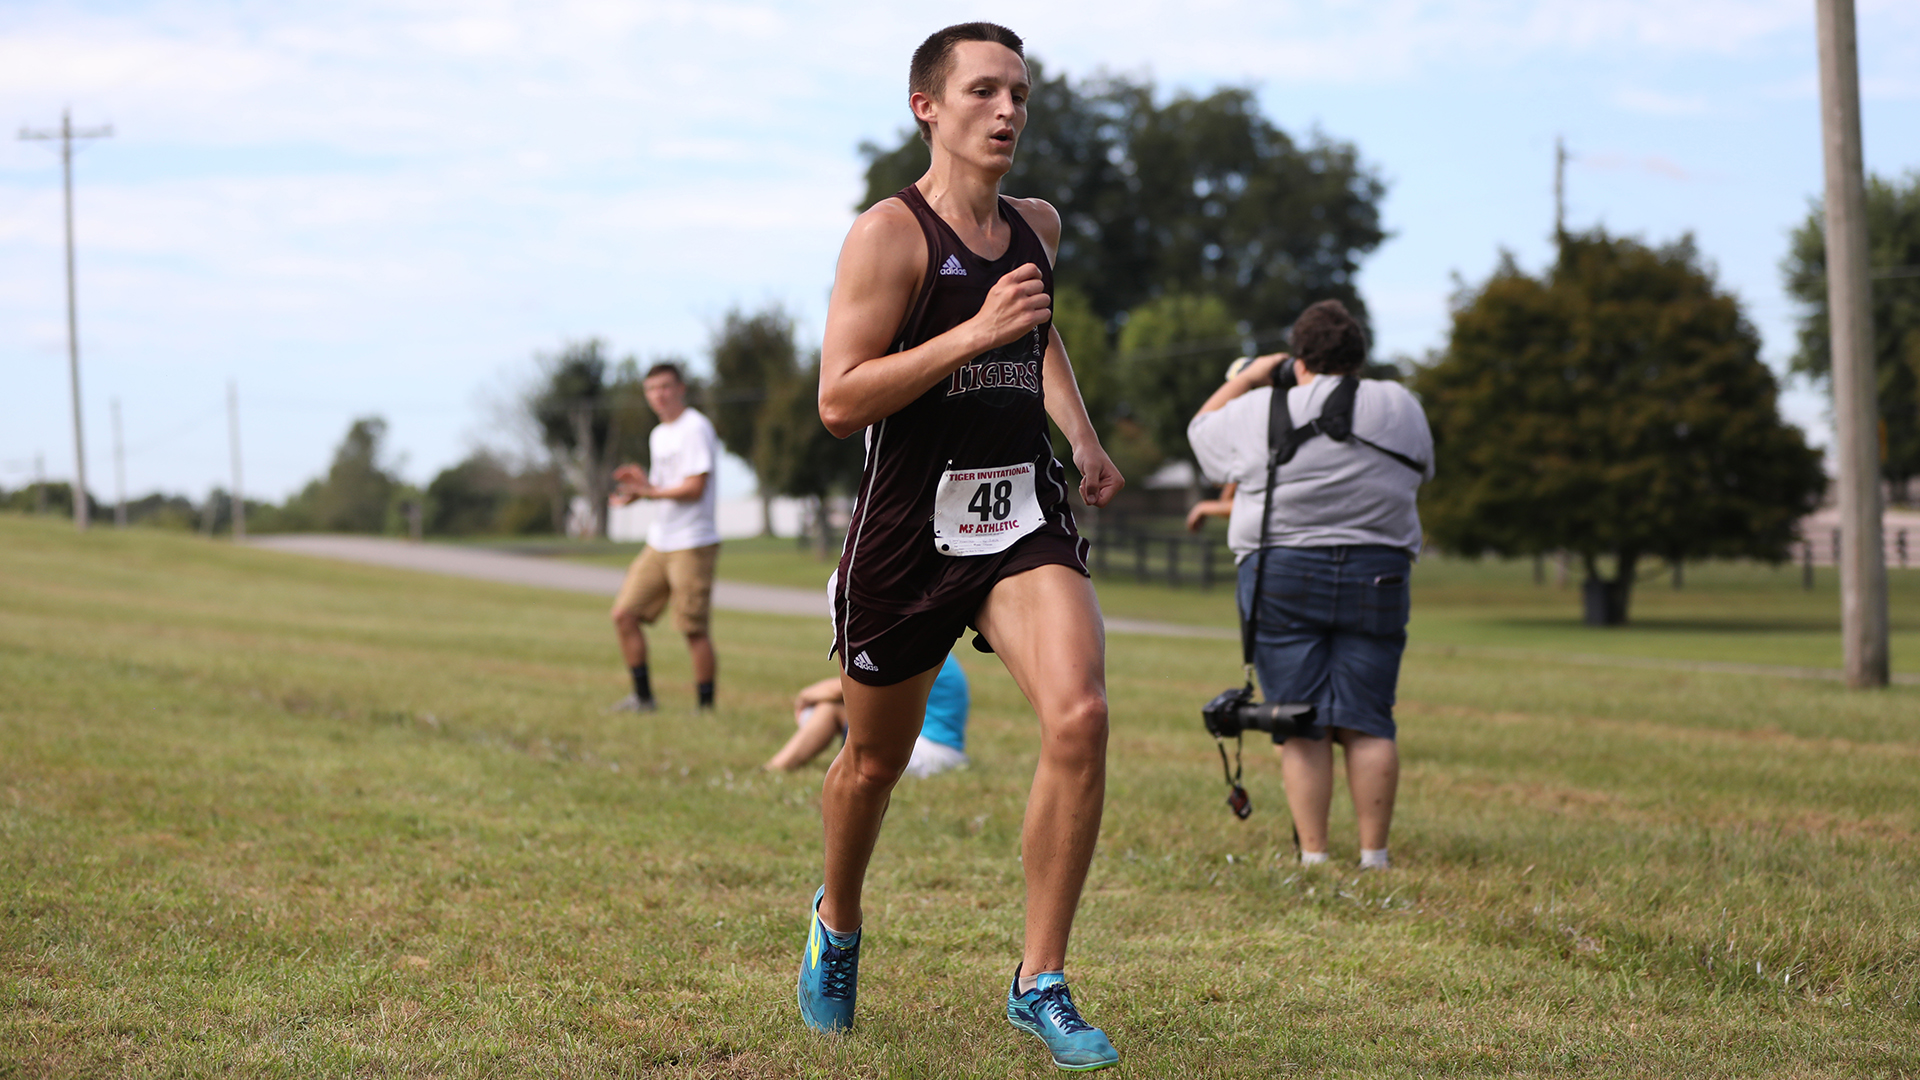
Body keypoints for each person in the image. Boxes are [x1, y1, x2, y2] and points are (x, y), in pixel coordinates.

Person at [795, 22, 1125, 1071]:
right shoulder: (886, 237)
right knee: (875, 764)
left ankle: (1041, 981)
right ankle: (837, 921)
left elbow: (1037, 325)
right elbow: (840, 400)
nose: (1009, 110)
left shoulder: (1038, 225)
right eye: (985, 90)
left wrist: (1080, 434)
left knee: (1079, 715)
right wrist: (970, 334)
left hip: (1019, 513)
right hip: (907, 533)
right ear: (926, 107)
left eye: (1021, 92)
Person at [1186, 299, 1433, 871]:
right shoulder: (1402, 405)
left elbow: (1201, 437)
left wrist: (1250, 376)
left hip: (1282, 572)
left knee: (1298, 718)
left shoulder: (1261, 408)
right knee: (1370, 718)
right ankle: (1375, 857)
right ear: (1360, 357)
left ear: (1298, 359)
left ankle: (1316, 858)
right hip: (1379, 572)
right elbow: (1422, 469)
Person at [607, 362, 720, 712]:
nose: (659, 395)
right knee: (624, 614)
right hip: (660, 541)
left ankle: (705, 709)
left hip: (693, 541)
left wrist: (648, 493)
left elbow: (694, 488)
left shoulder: (695, 427)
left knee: (692, 628)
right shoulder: (660, 434)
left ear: (681, 388)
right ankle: (642, 698)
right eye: (652, 389)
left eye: (666, 386)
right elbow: (663, 486)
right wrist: (639, 489)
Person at [766, 652, 970, 776]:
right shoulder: (933, 648)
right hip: (941, 753)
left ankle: (776, 768)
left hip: (929, 755)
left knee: (831, 709)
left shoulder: (913, 649)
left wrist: (804, 695)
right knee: (829, 709)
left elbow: (852, 689)